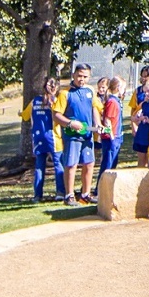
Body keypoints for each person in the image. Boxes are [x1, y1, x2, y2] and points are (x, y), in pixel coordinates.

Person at [58, 65, 98, 206]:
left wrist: (97, 124)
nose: (82, 79)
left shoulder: (90, 90)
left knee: (89, 163)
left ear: (89, 77)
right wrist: (70, 123)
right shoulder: (65, 93)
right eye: (79, 76)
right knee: (71, 164)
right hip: (72, 136)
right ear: (73, 75)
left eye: (85, 76)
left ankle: (85, 194)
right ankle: (69, 195)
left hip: (87, 135)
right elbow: (56, 115)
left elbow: (94, 108)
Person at [25, 77, 65, 203]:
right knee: (58, 164)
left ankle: (37, 195)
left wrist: (20, 113)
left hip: (37, 138)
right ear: (56, 87)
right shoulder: (56, 101)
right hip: (53, 137)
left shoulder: (34, 101)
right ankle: (60, 192)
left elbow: (25, 116)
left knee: (39, 166)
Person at [95, 76, 124, 178]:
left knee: (113, 165)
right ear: (118, 87)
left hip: (117, 136)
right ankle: (100, 190)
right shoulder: (112, 101)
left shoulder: (117, 100)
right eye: (123, 88)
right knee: (107, 165)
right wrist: (112, 137)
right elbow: (107, 121)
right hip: (110, 138)